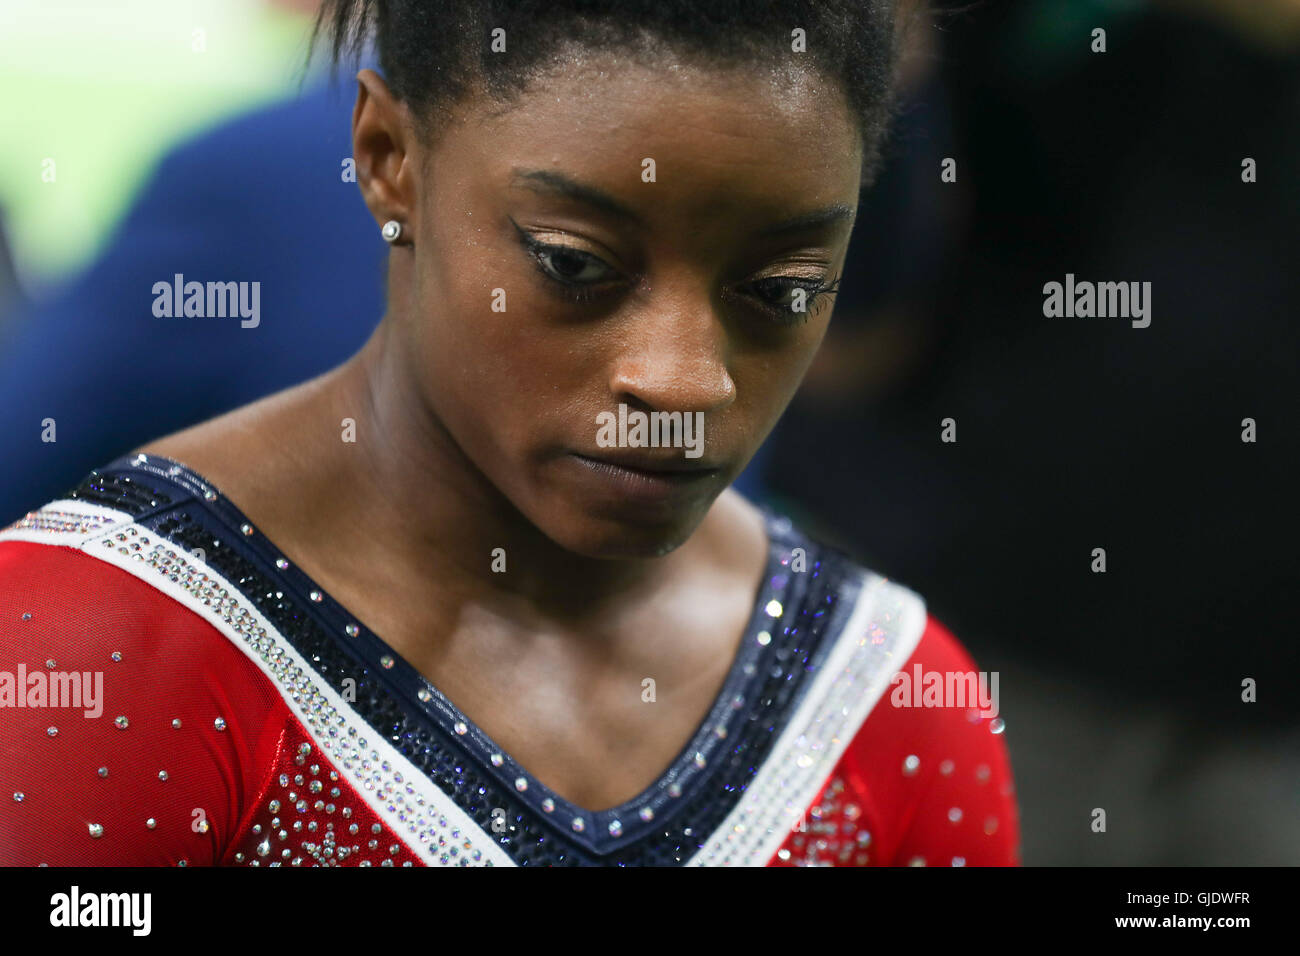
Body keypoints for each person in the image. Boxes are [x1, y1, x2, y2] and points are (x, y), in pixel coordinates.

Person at [0, 0, 1019, 867]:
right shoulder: (107, 654)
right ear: (388, 159)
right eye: (576, 264)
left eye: (778, 289)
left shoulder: (882, 703)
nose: (682, 378)